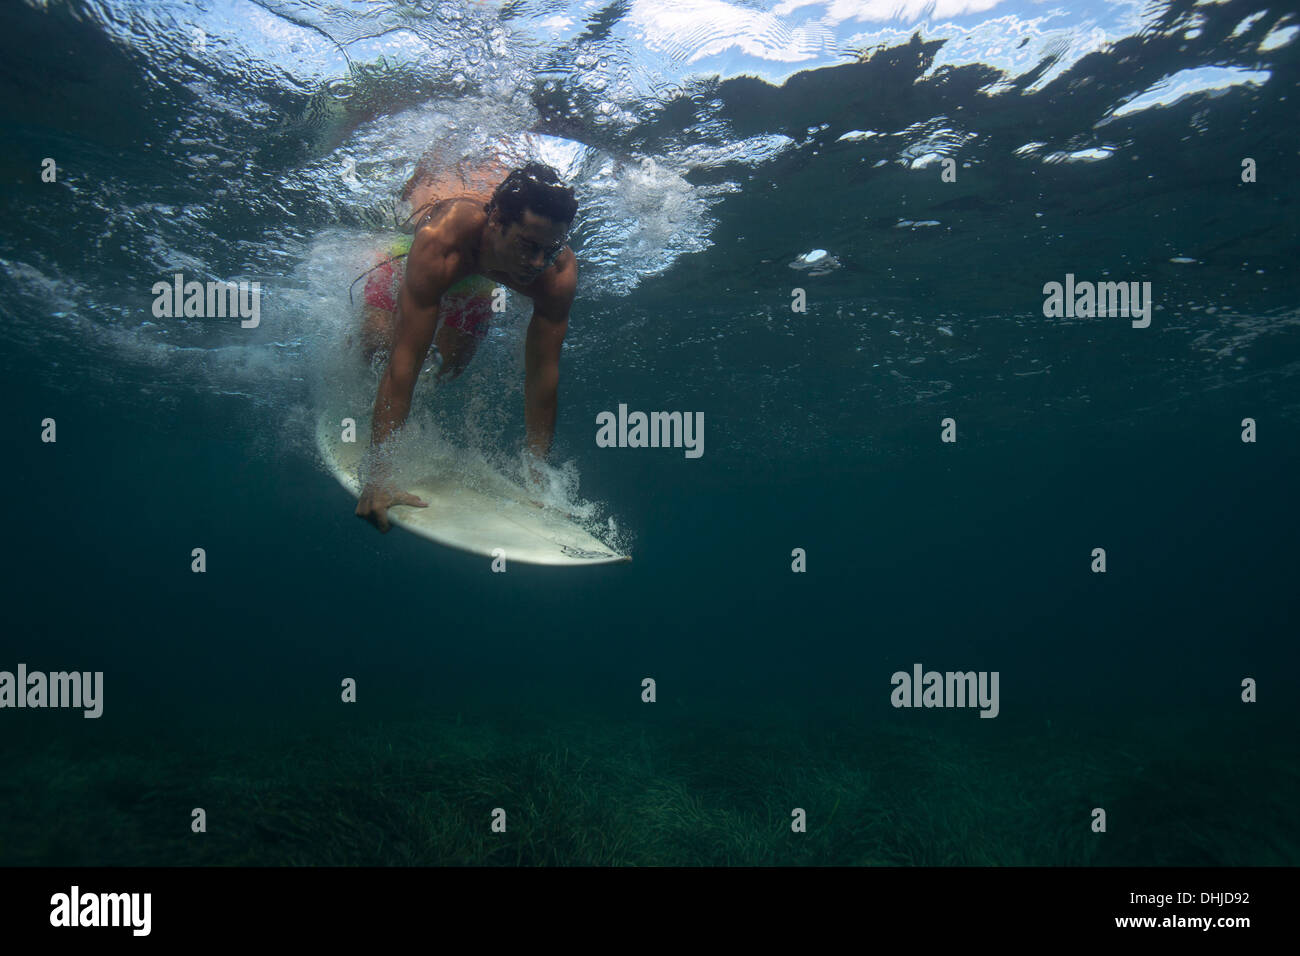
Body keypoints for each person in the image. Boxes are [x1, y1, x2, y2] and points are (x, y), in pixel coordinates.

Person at [354, 160, 579, 533]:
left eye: (551, 249)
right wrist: (379, 473)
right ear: (495, 224)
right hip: (412, 263)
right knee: (377, 352)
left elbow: (543, 378)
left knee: (448, 370)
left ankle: (403, 398)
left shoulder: (556, 274)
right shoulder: (441, 241)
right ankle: (371, 405)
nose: (538, 263)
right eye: (528, 246)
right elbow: (403, 361)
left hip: (475, 286)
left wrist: (538, 476)